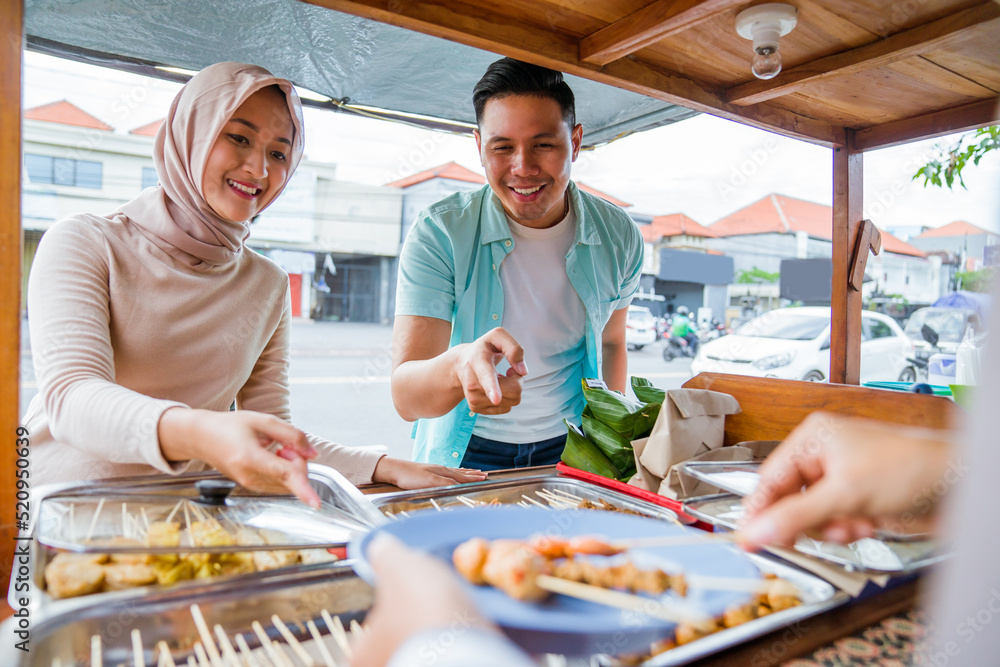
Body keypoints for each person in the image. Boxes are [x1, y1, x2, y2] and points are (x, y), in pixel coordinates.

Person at [23, 62, 484, 506]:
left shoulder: (267, 283)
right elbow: (72, 397)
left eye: (279, 153)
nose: (259, 170)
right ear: (191, 136)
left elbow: (271, 432)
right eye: (238, 138)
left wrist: (381, 465)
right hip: (58, 508)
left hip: (180, 517)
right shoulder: (87, 241)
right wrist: (202, 431)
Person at [390, 58, 644, 470]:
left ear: (575, 142)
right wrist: (460, 367)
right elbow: (406, 398)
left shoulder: (619, 235)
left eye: (543, 144)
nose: (522, 168)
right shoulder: (440, 232)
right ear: (479, 147)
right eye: (502, 147)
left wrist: (611, 441)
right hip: (467, 449)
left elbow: (613, 342)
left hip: (572, 447)